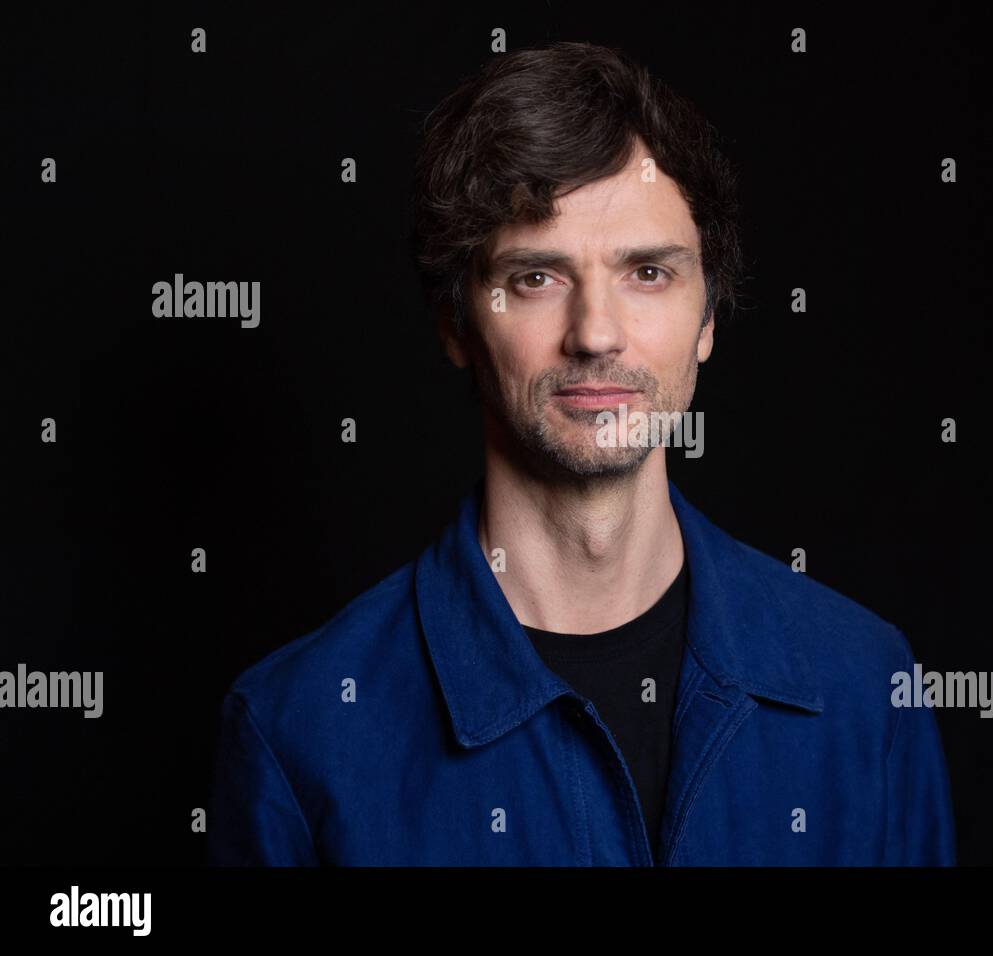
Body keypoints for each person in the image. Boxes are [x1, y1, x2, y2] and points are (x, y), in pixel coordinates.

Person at [207, 40, 955, 866]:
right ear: (458, 323)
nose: (596, 333)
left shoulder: (864, 683)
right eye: (536, 277)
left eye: (647, 272)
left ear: (708, 317)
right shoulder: (300, 728)